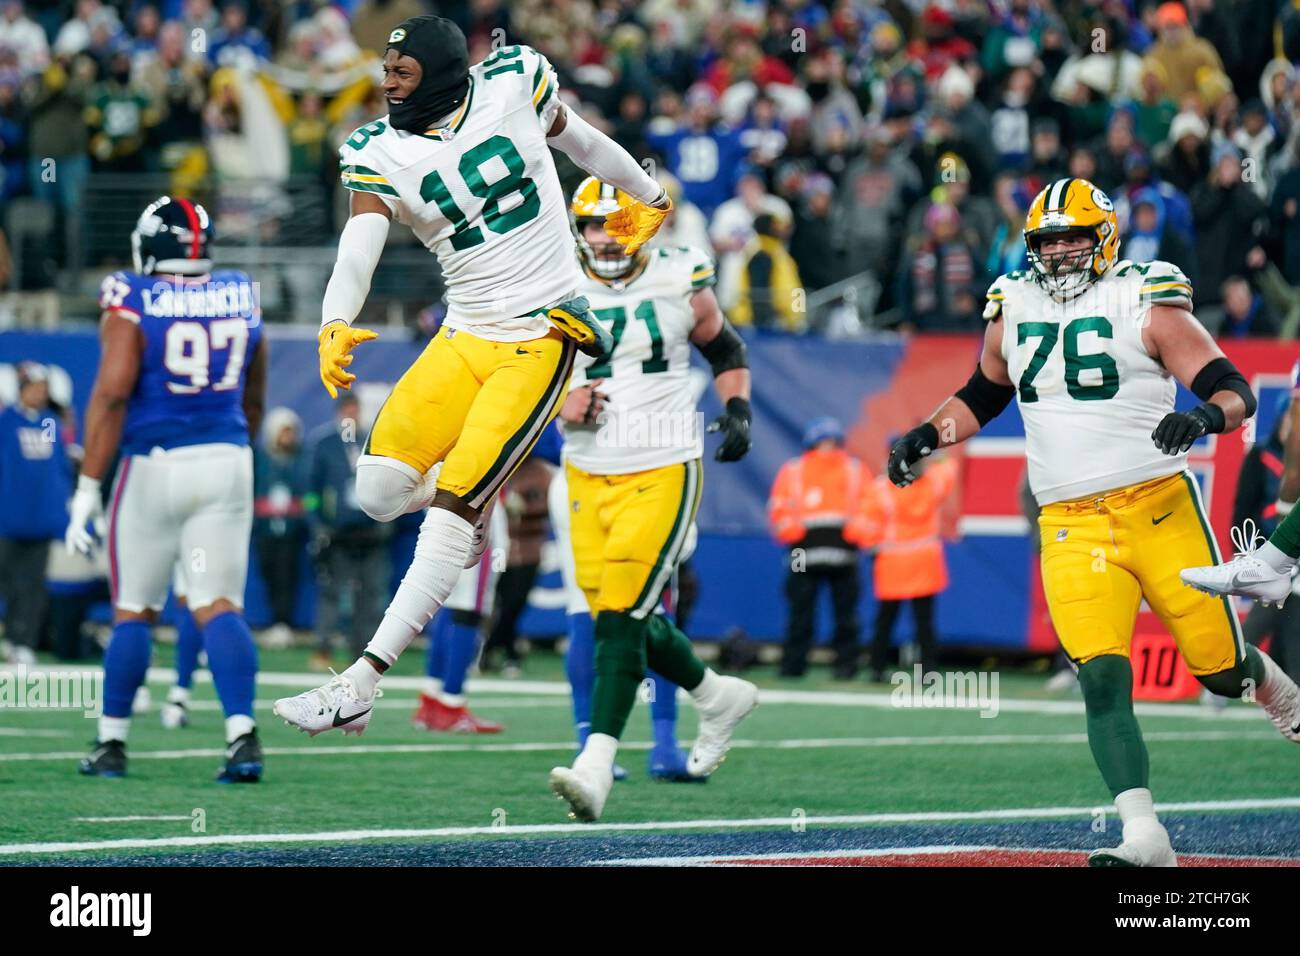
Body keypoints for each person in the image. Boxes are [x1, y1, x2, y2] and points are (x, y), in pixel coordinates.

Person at [273, 17, 677, 738]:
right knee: (376, 491)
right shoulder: (379, 149)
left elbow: (580, 141)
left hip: (543, 333)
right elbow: (358, 246)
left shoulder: (515, 81)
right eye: (385, 72)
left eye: (402, 73)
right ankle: (471, 510)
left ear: (442, 73)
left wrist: (647, 193)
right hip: (465, 332)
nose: (387, 85)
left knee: (450, 507)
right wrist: (335, 318)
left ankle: (364, 679)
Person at [889, 178, 1298, 867]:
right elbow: (985, 393)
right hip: (1070, 524)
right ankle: (1144, 836)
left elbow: (1234, 390)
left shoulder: (1145, 294)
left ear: (1103, 237)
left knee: (1219, 670)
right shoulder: (1010, 302)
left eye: (1074, 236)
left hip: (1157, 508)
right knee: (1102, 677)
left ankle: (1272, 684)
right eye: (1049, 241)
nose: (1061, 252)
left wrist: (1201, 417)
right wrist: (927, 437)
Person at [546, 176, 758, 820]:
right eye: (593, 226)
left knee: (620, 617)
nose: (606, 238)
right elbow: (520, 374)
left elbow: (723, 346)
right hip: (587, 469)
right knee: (617, 608)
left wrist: (739, 407)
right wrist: (562, 401)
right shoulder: (552, 280)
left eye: (620, 225)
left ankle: (596, 763)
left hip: (663, 460)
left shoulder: (679, 273)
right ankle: (715, 693)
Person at [69, 196, 268, 783]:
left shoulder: (131, 295)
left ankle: (111, 742)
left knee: (135, 607)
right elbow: (252, 398)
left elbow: (110, 394)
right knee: (218, 603)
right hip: (228, 457)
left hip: (154, 465)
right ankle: (241, 737)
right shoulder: (241, 292)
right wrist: (232, 452)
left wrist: (86, 487)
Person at [768, 417, 873, 679]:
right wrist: (792, 533)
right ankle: (793, 666)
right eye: (822, 441)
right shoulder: (793, 470)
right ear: (812, 443)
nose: (827, 447)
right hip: (801, 553)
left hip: (844, 551)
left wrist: (857, 532)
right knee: (799, 611)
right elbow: (778, 508)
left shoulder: (854, 469)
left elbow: (869, 506)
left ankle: (846, 666)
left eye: (832, 441)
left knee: (846, 615)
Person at [862, 446, 958, 681]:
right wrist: (935, 453)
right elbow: (949, 467)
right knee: (924, 622)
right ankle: (928, 671)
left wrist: (873, 546)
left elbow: (865, 526)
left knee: (885, 620)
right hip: (924, 561)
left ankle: (877, 668)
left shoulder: (880, 488)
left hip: (892, 562)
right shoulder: (934, 482)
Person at [306, 393, 388, 667]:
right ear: (339, 413)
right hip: (337, 532)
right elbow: (312, 490)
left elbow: (388, 486)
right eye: (348, 411)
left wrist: (386, 522)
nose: (352, 416)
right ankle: (323, 647)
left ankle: (363, 651)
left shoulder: (372, 443)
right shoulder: (326, 445)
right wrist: (318, 523)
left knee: (370, 593)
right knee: (332, 591)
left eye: (356, 410)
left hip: (370, 531)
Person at [412, 502, 508, 733]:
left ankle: (431, 701)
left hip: (448, 510)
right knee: (469, 610)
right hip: (476, 508)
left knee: (451, 605)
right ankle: (450, 704)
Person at [0, 361, 72, 664]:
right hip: (8, 520)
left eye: (44, 389)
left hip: (40, 520)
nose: (39, 394)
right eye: (34, 388)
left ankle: (23, 642)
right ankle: (11, 637)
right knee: (8, 581)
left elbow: (58, 468)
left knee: (33, 586)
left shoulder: (49, 424)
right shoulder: (7, 422)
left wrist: (60, 510)